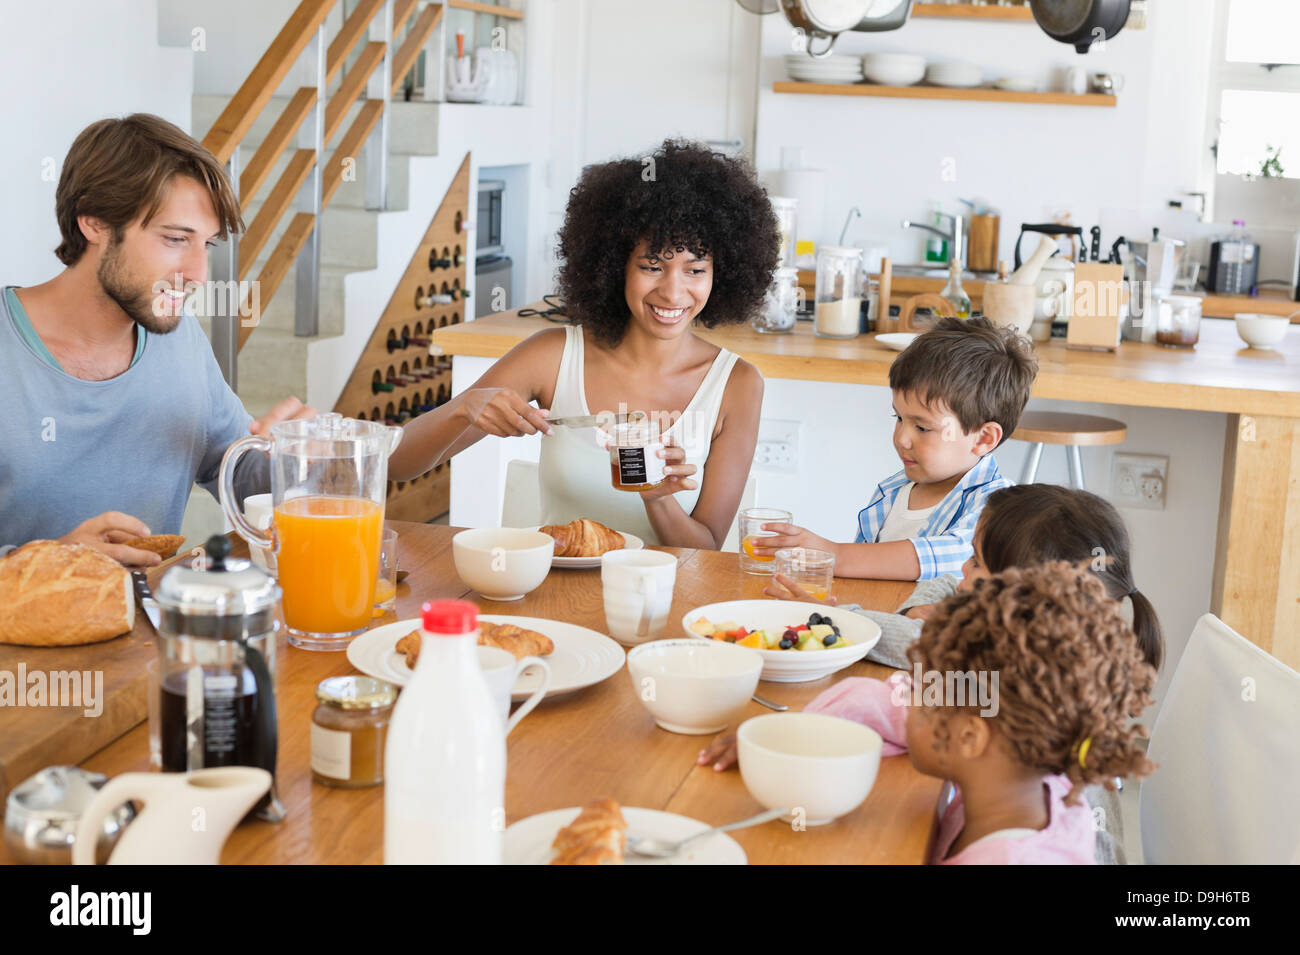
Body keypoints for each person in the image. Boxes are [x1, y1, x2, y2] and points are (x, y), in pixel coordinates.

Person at [388, 140, 779, 548]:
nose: (673, 291)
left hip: (663, 600)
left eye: (695, 270)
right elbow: (398, 465)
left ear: (722, 274)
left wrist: (657, 498)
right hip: (552, 600)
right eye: (651, 267)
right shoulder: (552, 355)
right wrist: (463, 411)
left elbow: (706, 548)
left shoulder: (737, 384)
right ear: (614, 267)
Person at [0, 114, 315, 565]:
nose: (198, 275)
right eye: (174, 239)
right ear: (93, 222)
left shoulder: (180, 339)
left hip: (148, 633)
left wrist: (299, 458)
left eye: (204, 245)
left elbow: (241, 478)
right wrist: (44, 562)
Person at [713, 563, 1159, 865]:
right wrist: (790, 735)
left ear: (969, 736)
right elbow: (883, 702)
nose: (907, 699)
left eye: (924, 696)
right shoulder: (1037, 776)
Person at [750, 316, 1037, 579]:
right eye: (898, 418)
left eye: (923, 427)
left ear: (984, 438)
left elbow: (949, 555)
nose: (901, 438)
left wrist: (834, 555)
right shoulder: (892, 491)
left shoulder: (997, 508)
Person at [768, 483, 1165, 673]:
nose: (962, 569)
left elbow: (912, 641)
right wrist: (926, 611)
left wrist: (829, 619)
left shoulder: (1020, 662)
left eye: (976, 563)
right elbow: (939, 591)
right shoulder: (1047, 630)